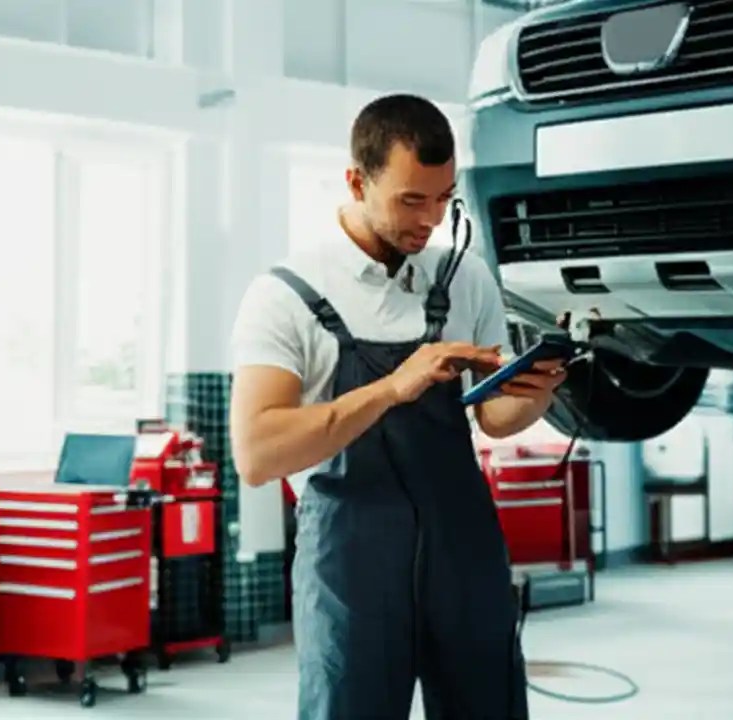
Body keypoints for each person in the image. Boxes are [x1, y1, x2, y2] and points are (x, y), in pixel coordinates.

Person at [228, 93, 567, 720]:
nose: (431, 220)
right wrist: (390, 388)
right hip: (351, 557)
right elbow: (257, 453)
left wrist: (536, 393)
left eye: (444, 198)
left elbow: (490, 419)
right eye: (411, 200)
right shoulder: (286, 295)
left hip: (462, 542)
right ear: (357, 181)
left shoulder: (466, 278)